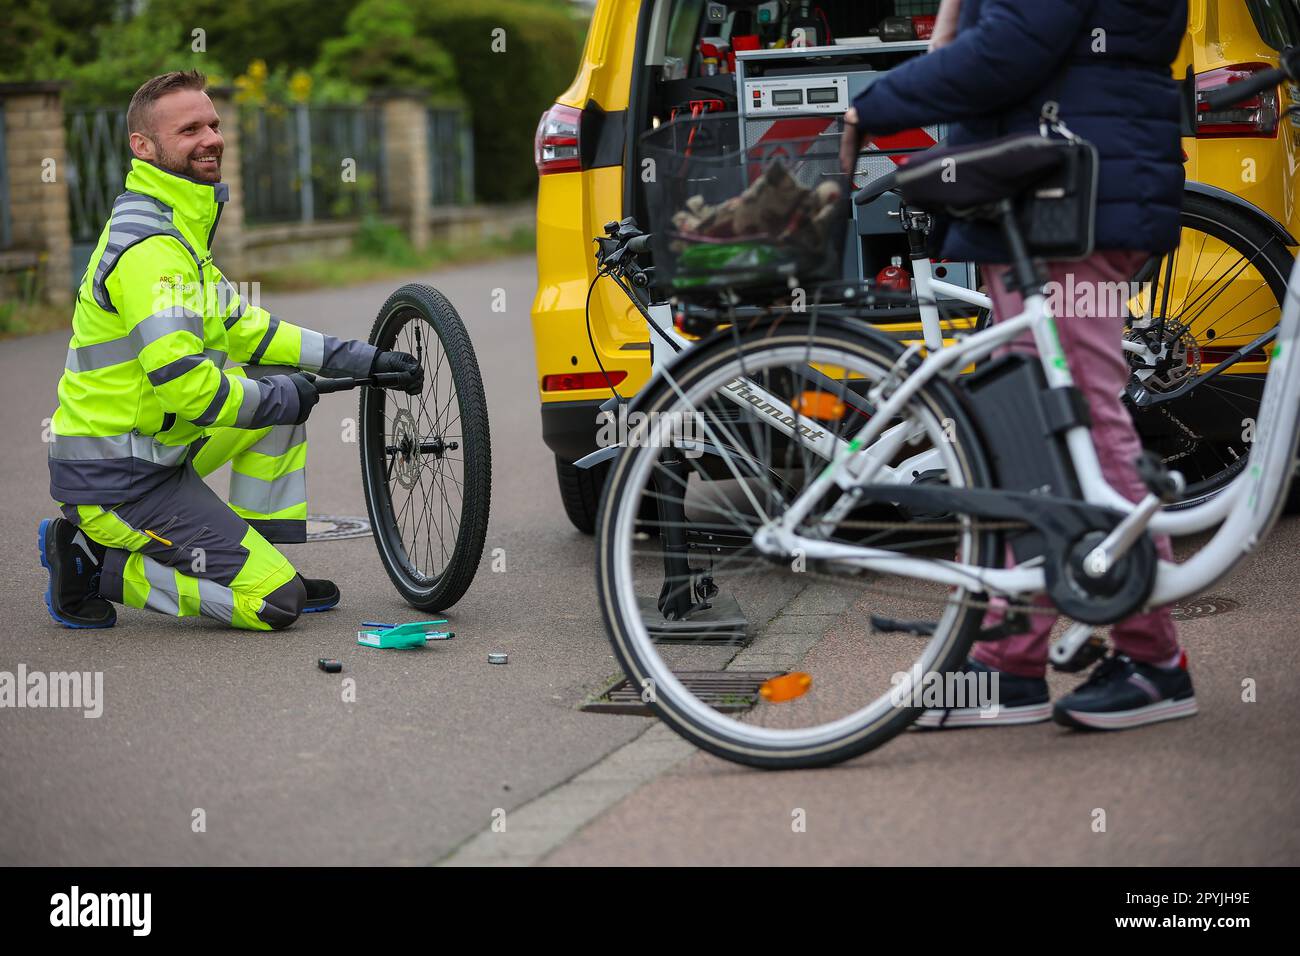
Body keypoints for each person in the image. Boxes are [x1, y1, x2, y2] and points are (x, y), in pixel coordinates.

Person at [840, 0, 1196, 730]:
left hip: (1068, 193)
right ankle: (1013, 662)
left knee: (1083, 427)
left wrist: (872, 106)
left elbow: (1012, 46)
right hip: (1060, 184)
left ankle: (1152, 658)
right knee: (1036, 433)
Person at [39, 70, 419, 632]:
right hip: (117, 480)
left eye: (213, 124)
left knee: (279, 377)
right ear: (142, 147)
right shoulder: (153, 251)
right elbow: (186, 387)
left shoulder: (178, 232)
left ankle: (253, 555)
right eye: (189, 129)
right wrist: (280, 397)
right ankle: (96, 567)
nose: (211, 137)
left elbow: (254, 333)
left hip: (154, 451)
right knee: (276, 605)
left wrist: (364, 361)